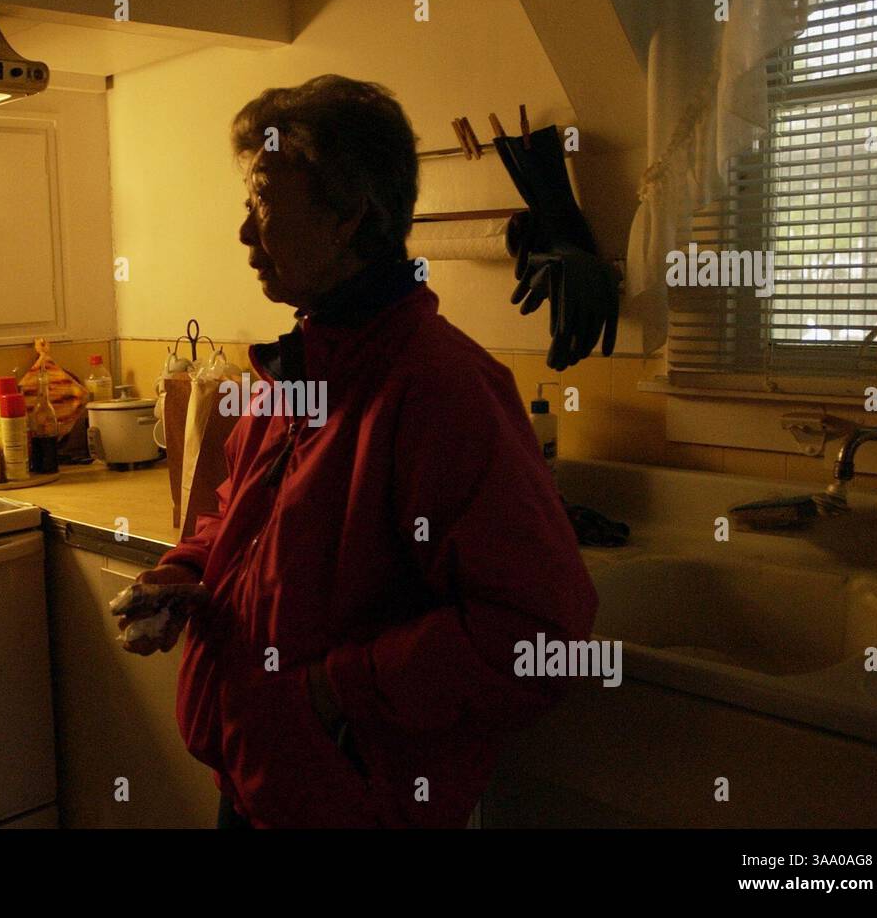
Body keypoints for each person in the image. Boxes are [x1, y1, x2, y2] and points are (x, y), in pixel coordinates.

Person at [113, 74, 599, 828]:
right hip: (259, 781)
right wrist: (185, 571)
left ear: (350, 219)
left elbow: (540, 632)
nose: (245, 232)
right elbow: (235, 520)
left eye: (264, 204)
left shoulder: (443, 390)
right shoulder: (302, 365)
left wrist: (334, 692)